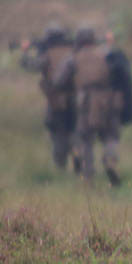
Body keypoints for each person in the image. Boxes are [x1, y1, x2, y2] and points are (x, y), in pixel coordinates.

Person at [62, 26, 132, 187]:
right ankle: (110, 162)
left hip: (86, 102)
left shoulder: (74, 58)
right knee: (110, 136)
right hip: (110, 101)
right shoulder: (108, 54)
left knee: (86, 139)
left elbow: (60, 80)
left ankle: (88, 176)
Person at [18, 23, 76, 169]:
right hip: (77, 100)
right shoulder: (74, 51)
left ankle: (60, 166)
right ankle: (78, 155)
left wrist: (24, 52)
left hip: (56, 101)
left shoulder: (47, 55)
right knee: (75, 129)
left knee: (58, 133)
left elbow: (31, 65)